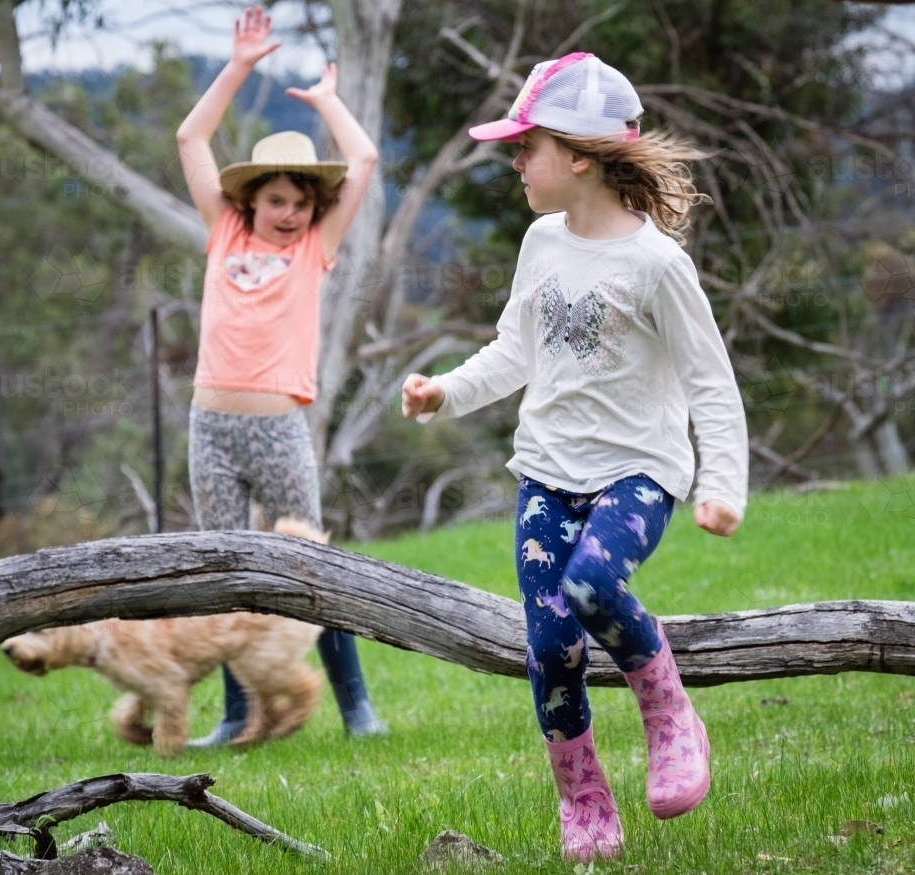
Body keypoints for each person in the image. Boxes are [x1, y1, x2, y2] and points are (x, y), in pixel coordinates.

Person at [401, 53, 748, 860]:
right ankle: (584, 797)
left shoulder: (657, 264)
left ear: (582, 155)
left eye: (528, 146)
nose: (516, 161)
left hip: (637, 472)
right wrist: (443, 393)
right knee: (551, 644)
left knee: (594, 584)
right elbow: (515, 351)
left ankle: (669, 713)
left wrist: (723, 484)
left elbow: (712, 384)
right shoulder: (540, 240)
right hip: (545, 476)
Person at [175, 6, 386, 745]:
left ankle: (356, 705)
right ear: (250, 200)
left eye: (300, 203)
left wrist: (328, 101)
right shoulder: (223, 230)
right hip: (211, 425)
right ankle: (239, 715)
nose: (290, 213)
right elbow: (189, 137)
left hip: (277, 426)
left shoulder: (313, 250)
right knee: (227, 571)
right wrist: (239, 67)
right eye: (277, 201)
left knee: (307, 563)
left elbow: (361, 162)